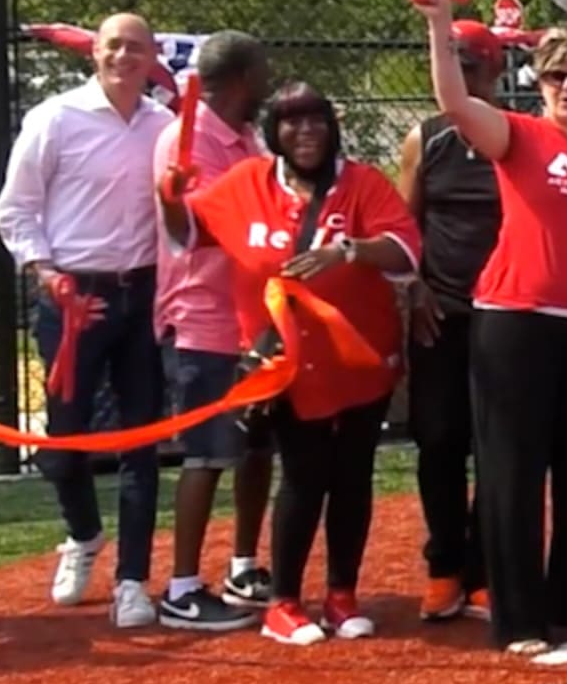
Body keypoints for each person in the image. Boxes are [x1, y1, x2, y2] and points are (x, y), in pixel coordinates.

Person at [418, 0, 567, 657]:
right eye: (555, 75)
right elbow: (455, 104)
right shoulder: (521, 136)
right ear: (539, 83)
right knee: (514, 472)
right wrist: (441, 25)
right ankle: (518, 615)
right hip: (516, 323)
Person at [158, 83, 419, 646]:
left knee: (352, 477)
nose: (305, 133)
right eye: (291, 122)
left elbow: (404, 252)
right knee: (302, 475)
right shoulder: (247, 184)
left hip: (359, 358)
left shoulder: (363, 184)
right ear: (274, 131)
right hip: (286, 365)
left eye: (315, 121)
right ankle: (285, 602)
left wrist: (348, 250)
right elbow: (189, 233)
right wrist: (171, 198)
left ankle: (342, 594)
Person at [0, 12, 175, 629]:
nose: (124, 57)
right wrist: (45, 272)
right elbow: (15, 209)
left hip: (142, 294)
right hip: (71, 297)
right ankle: (82, 533)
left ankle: (132, 580)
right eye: (113, 46)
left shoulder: (167, 126)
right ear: (94, 53)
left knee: (141, 439)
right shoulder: (55, 119)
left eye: (136, 48)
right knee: (63, 439)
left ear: (153, 57)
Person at [145, 30, 275, 631]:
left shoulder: (246, 138)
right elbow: (198, 228)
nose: (270, 84)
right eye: (264, 73)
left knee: (255, 447)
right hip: (203, 318)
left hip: (252, 319)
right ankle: (181, 587)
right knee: (205, 455)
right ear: (244, 78)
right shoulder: (187, 138)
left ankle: (243, 565)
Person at [396, 19, 509, 623]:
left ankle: (485, 569)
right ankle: (444, 565)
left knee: (498, 447)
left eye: (473, 68)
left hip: (505, 315)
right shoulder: (427, 139)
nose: (463, 80)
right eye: (453, 67)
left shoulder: (515, 136)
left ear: (493, 73)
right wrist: (412, 289)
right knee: (439, 442)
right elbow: (403, 225)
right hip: (442, 312)